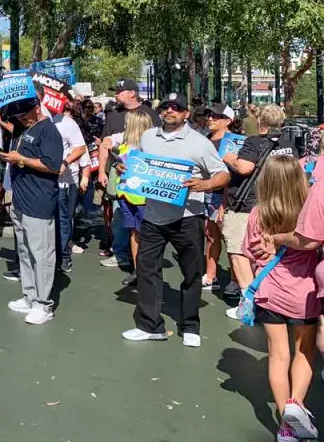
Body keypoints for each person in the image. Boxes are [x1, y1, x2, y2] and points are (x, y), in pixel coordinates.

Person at [121, 92, 229, 348]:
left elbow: (222, 174)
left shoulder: (200, 142)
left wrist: (206, 184)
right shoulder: (148, 136)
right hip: (153, 216)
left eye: (177, 108)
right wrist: (124, 168)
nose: (170, 111)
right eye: (166, 107)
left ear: (186, 114)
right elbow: (138, 165)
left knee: (192, 272)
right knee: (146, 268)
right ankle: (149, 325)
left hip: (188, 217)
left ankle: (190, 325)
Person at [243, 156, 319, 442]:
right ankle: (295, 405)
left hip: (269, 292)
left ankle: (285, 426)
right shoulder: (308, 211)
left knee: (277, 355)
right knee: (304, 351)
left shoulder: (257, 214)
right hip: (303, 293)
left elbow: (250, 253)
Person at [222, 103, 296, 319]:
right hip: (278, 205)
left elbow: (245, 168)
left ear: (260, 121)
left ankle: (249, 301)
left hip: (248, 204)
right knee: (266, 251)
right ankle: (269, 297)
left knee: (239, 251)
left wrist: (230, 158)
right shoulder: (288, 144)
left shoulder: (253, 142)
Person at [0, 97, 63, 326]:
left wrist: (22, 160)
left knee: (41, 253)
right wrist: (12, 158)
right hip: (20, 199)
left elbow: (53, 166)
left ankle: (43, 304)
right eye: (18, 116)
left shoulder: (49, 131)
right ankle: (30, 296)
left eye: (25, 114)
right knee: (25, 250)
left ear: (37, 108)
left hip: (39, 200)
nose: (22, 118)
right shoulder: (23, 127)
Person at [106, 110, 154, 285]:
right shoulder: (126, 144)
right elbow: (114, 153)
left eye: (127, 123)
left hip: (143, 199)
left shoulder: (150, 147)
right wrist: (117, 163)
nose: (124, 126)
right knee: (133, 232)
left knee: (146, 234)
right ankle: (137, 270)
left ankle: (147, 271)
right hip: (126, 195)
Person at [48, 99, 88, 273]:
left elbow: (81, 149)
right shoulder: (34, 121)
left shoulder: (67, 123)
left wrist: (65, 163)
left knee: (63, 219)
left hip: (64, 181)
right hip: (40, 181)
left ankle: (64, 256)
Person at [203, 102, 239, 291]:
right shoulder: (204, 140)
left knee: (230, 240)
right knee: (210, 236)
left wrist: (225, 202)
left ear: (228, 121)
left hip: (227, 196)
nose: (210, 119)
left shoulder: (236, 142)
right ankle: (211, 276)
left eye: (216, 116)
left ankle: (236, 279)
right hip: (205, 194)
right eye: (209, 115)